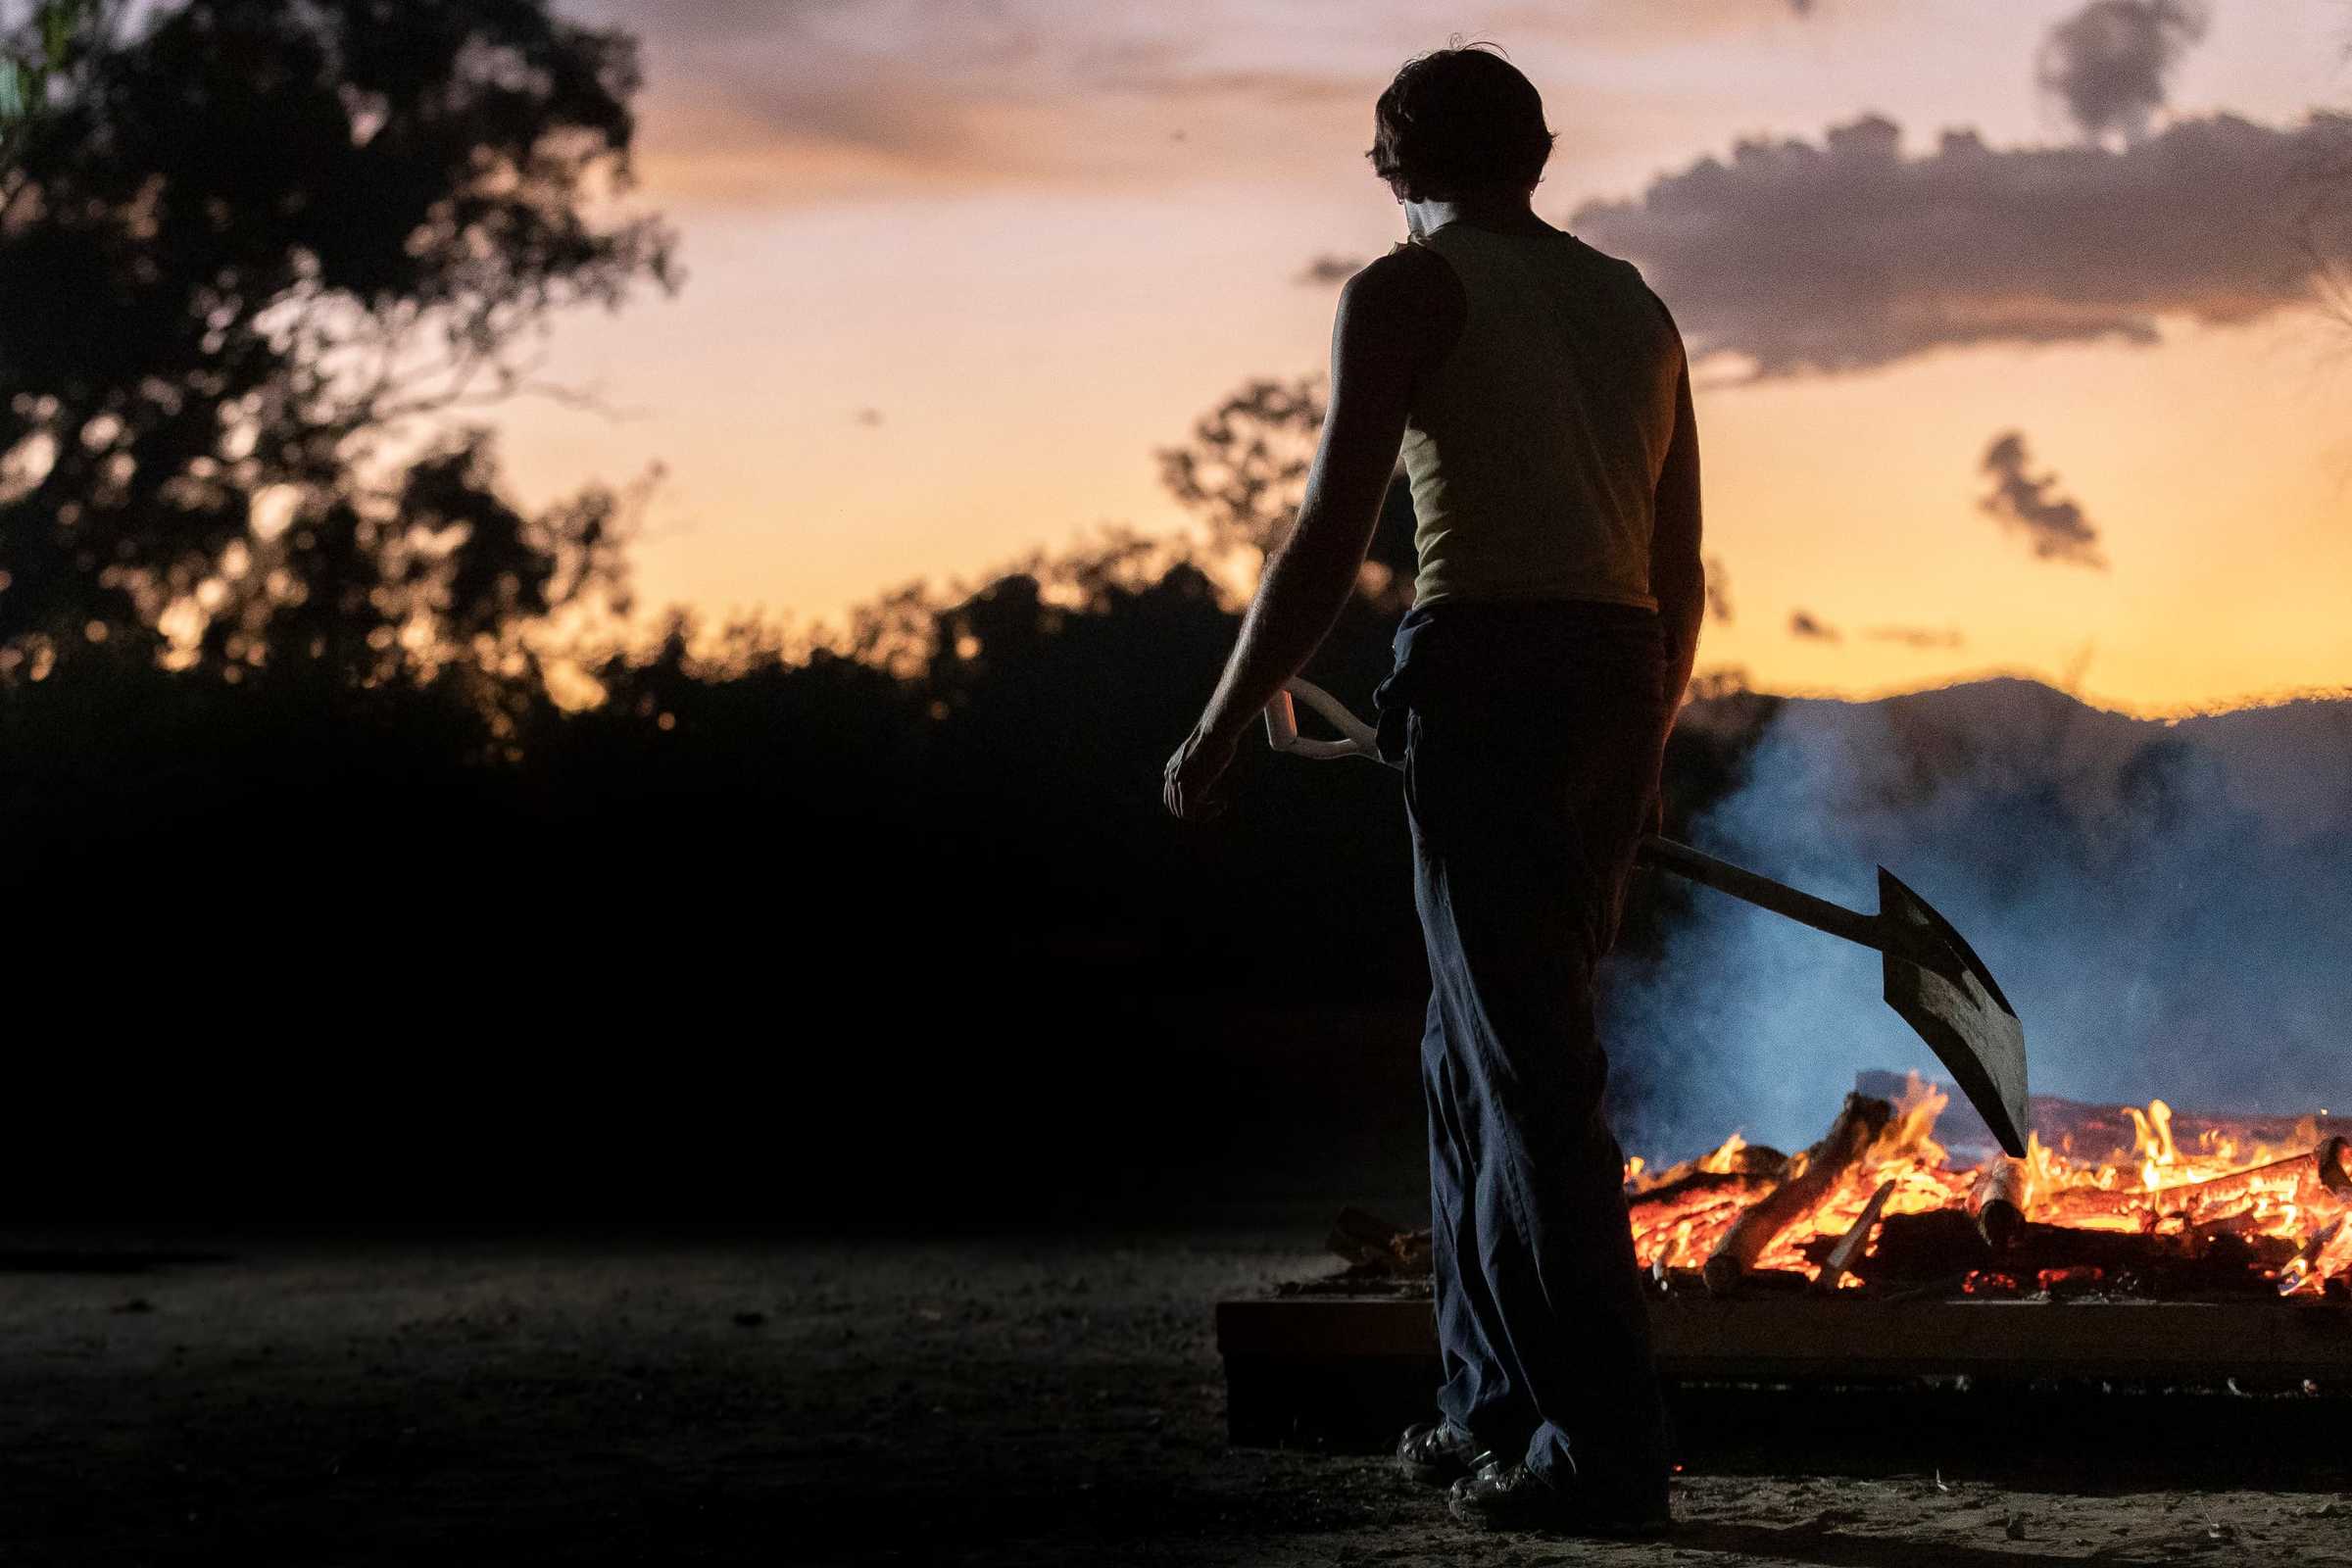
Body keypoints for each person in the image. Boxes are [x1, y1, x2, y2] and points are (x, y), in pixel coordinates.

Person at [1161, 41, 1705, 1536]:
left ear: (1398, 159)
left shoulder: (1403, 289)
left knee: (1530, 1076)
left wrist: (1219, 723)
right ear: (1536, 156)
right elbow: (1674, 572)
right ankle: (1490, 1411)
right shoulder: (1635, 303)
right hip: (1611, 672)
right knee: (1469, 1064)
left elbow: (1330, 527)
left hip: (1490, 671)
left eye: (1379, 154)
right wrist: (1645, 748)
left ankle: (1604, 1453)